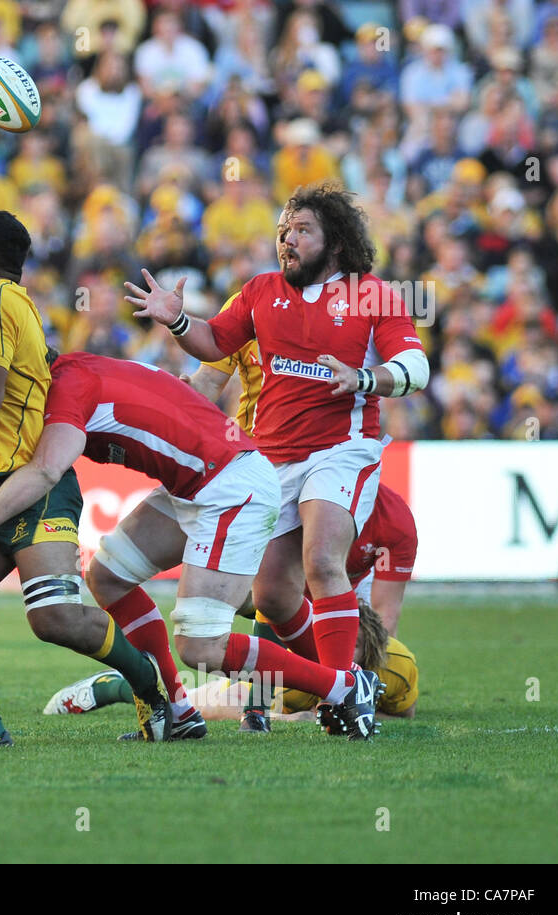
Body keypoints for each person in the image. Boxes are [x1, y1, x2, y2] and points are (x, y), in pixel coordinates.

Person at [0, 351, 382, 740]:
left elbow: (46, 469)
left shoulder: (66, 389)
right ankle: (179, 711)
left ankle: (344, 687)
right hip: (198, 485)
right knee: (107, 576)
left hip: (230, 487)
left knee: (200, 646)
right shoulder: (73, 374)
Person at [124, 182, 429, 733]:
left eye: (302, 230)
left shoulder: (371, 294)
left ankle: (342, 698)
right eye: (284, 230)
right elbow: (214, 343)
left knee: (322, 559)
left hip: (341, 450)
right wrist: (174, 320)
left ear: (335, 241)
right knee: (271, 591)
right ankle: (323, 683)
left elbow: (416, 367)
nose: (288, 240)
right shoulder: (261, 291)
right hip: (271, 460)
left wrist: (363, 378)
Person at [0, 211, 171, 750]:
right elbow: (10, 402)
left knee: (53, 618)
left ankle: (148, 682)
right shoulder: (0, 308)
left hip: (32, 488)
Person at [45, 602, 419, 727]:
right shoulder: (301, 648)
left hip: (297, 704)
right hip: (273, 690)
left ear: (370, 644)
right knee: (186, 704)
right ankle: (109, 687)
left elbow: (405, 712)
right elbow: (266, 614)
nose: (337, 652)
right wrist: (268, 715)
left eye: (350, 645)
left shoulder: (398, 665)